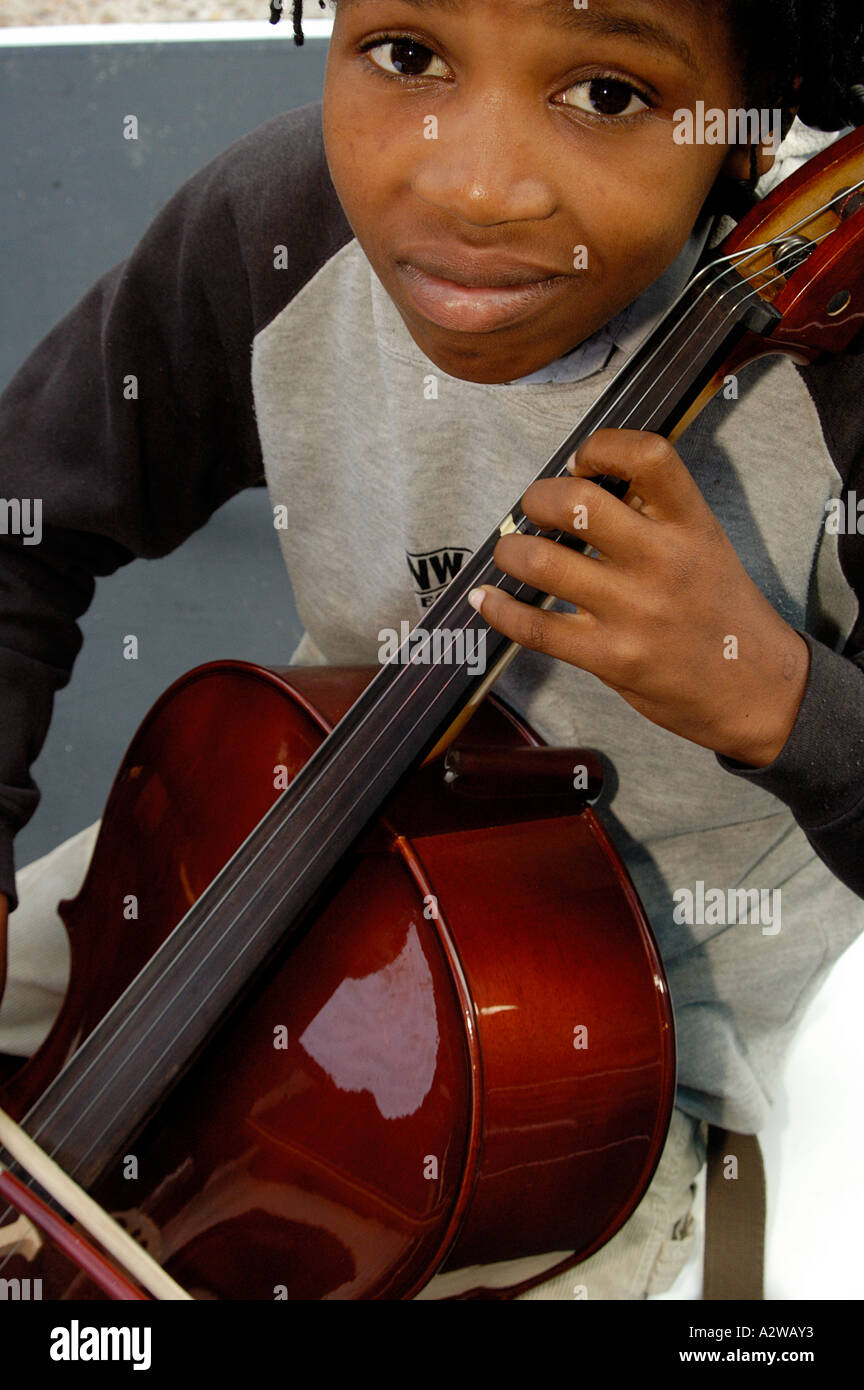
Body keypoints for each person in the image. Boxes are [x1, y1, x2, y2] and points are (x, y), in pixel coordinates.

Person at [1, 0, 864, 1299]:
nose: (469, 183)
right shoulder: (279, 223)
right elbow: (26, 518)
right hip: (260, 856)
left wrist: (787, 704)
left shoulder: (838, 393)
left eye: (610, 94)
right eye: (406, 56)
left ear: (753, 117)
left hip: (610, 1076)